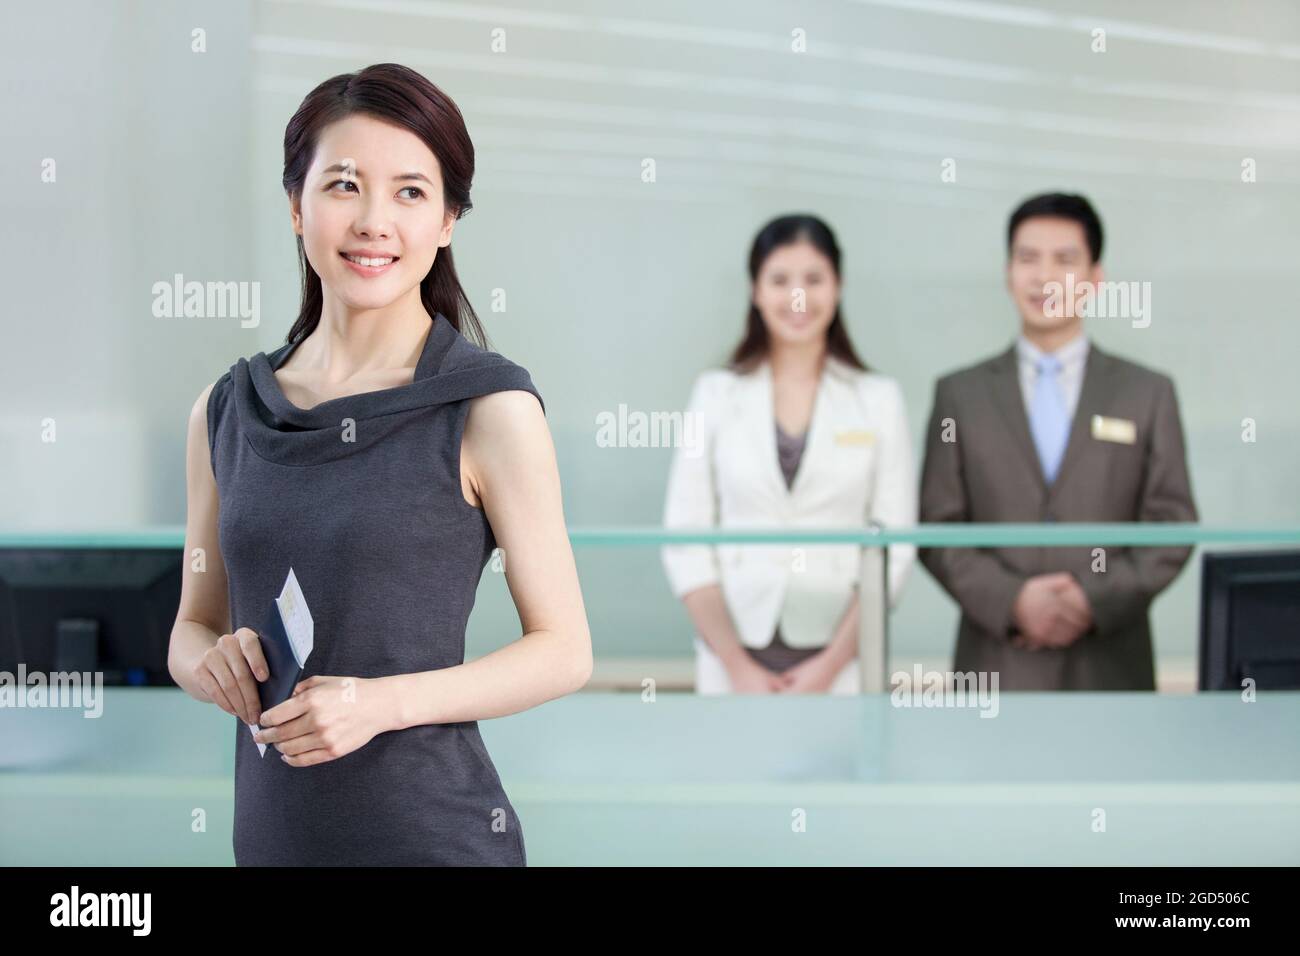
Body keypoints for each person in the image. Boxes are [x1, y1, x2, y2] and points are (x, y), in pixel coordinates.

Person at [167, 63, 591, 865]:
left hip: (432, 839)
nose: (373, 221)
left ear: (447, 220)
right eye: (343, 186)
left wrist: (378, 705)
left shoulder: (489, 410)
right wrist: (208, 664)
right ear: (296, 206)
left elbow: (565, 650)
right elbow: (192, 627)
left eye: (409, 192)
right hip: (271, 843)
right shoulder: (225, 409)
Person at [918, 192, 1196, 690]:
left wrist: (1093, 600)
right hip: (995, 665)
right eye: (1028, 259)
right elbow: (937, 527)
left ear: (1095, 279)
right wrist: (1012, 601)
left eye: (1064, 260)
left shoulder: (1147, 393)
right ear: (1008, 273)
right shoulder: (959, 395)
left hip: (1109, 667)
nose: (1044, 277)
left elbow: (1172, 524)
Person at [661, 214, 916, 695]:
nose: (798, 297)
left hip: (842, 665)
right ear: (756, 291)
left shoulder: (879, 399)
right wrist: (737, 666)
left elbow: (894, 550)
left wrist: (828, 669)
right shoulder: (714, 394)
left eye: (814, 279)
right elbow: (686, 539)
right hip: (731, 660)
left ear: (837, 288)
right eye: (780, 280)